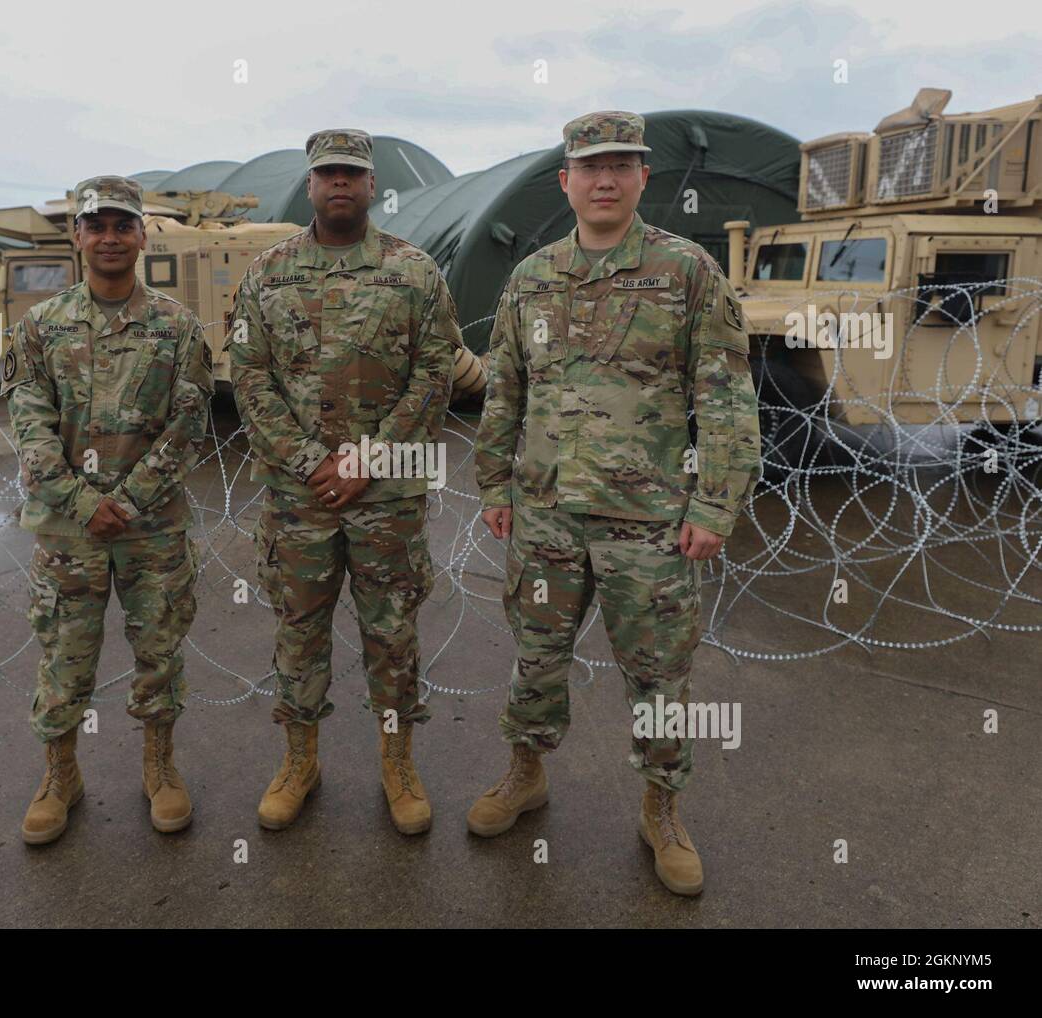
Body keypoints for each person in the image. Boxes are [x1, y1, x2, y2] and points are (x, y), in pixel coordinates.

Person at [468, 112, 761, 895]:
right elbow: (504, 390)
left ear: (642, 179)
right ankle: (525, 773)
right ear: (564, 181)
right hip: (545, 518)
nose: (604, 179)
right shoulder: (532, 277)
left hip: (651, 524)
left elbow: (727, 398)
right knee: (535, 656)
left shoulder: (686, 271)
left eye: (621, 165)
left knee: (660, 674)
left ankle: (662, 810)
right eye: (589, 166)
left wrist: (713, 506)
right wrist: (493, 484)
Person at [231, 129, 464, 835]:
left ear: (371, 186)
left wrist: (371, 458)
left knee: (391, 637)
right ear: (310, 184)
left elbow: (434, 371)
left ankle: (398, 764)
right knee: (299, 633)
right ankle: (300, 760)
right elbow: (249, 376)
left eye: (352, 174)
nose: (340, 184)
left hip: (386, 500)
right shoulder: (268, 273)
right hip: (300, 503)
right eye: (328, 173)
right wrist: (310, 460)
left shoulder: (414, 271)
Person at [1, 175, 213, 845]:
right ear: (79, 236)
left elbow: (188, 425)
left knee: (159, 651)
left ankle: (160, 769)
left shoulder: (178, 327)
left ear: (143, 236)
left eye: (124, 225)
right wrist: (81, 504)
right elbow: (29, 425)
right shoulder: (41, 326)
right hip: (70, 531)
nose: (111, 237)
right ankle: (60, 776)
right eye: (98, 225)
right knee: (65, 655)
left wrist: (124, 502)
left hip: (151, 529)